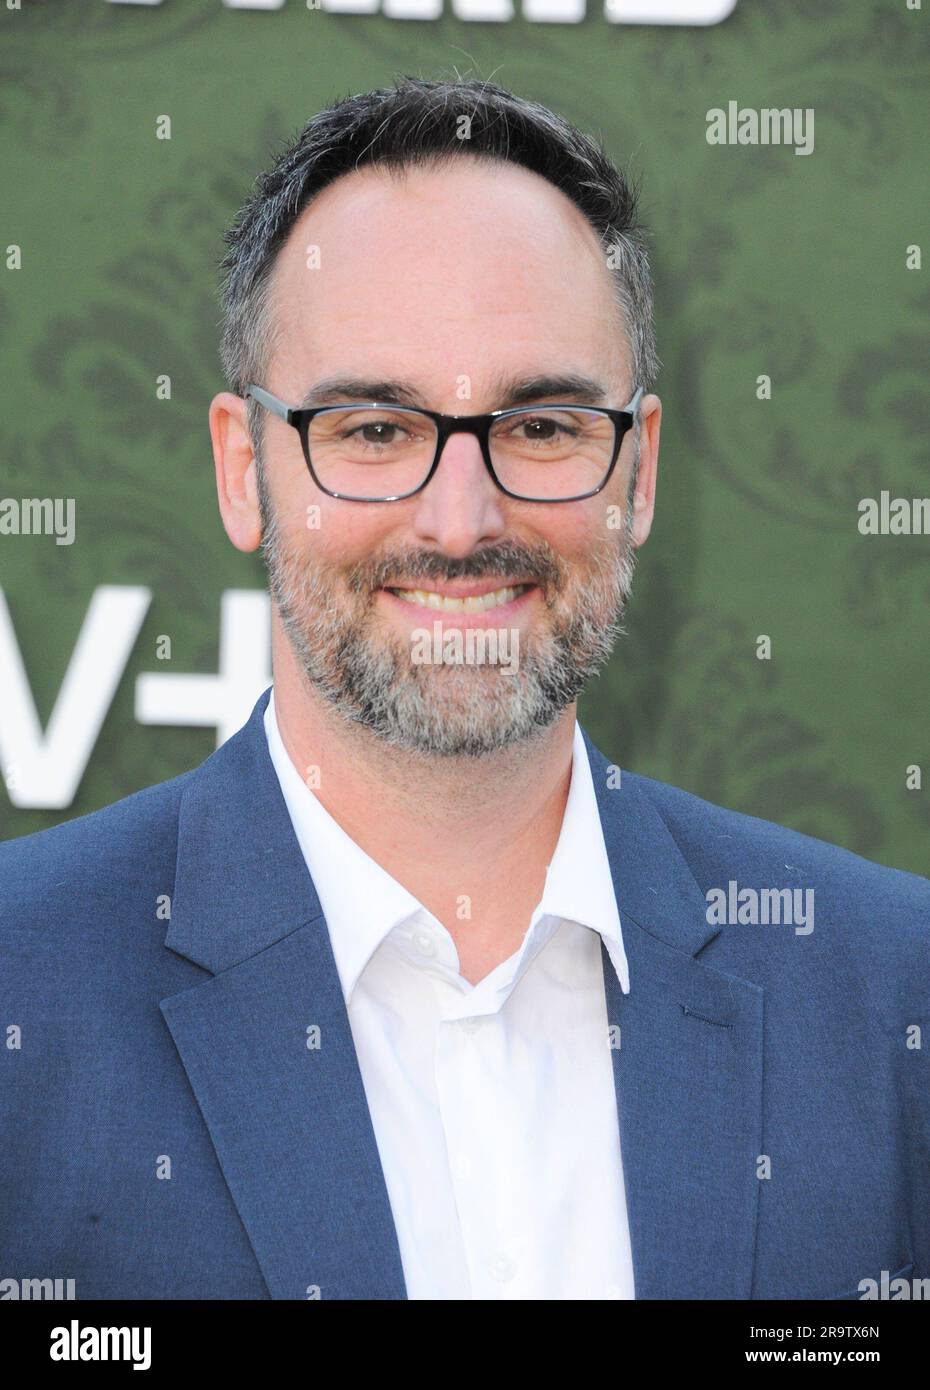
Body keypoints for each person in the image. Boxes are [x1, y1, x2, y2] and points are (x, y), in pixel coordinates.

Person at [1, 77, 927, 1302]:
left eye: (540, 426)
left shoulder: (894, 996)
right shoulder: (22, 992)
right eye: (373, 429)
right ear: (241, 469)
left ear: (640, 472)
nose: (460, 521)